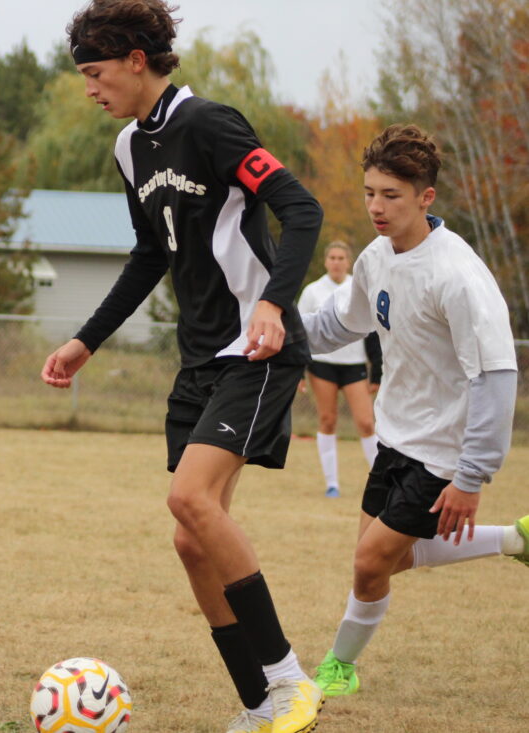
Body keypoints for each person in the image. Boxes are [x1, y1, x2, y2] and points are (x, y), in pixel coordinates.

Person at [41, 3, 325, 731]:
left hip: (256, 350)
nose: (89, 90)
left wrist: (274, 303)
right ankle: (261, 706)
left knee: (189, 501)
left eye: (96, 73)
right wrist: (85, 340)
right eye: (83, 76)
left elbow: (302, 207)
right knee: (189, 533)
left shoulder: (211, 123)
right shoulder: (130, 149)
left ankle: (292, 682)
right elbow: (148, 257)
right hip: (199, 360)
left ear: (138, 59)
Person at [302, 124, 529, 700]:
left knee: (368, 563)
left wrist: (470, 476)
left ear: (426, 198)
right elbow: (337, 324)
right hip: (395, 439)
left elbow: (497, 378)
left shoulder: (457, 276)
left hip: (443, 453)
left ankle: (338, 666)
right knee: (388, 562)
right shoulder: (377, 258)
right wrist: (277, 338)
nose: (376, 207)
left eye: (391, 195)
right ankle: (515, 541)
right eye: (370, 192)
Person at [296, 242, 380, 497]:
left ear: (349, 261)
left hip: (354, 366)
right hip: (322, 366)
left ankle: (381, 482)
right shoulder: (312, 291)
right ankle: (332, 484)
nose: (336, 262)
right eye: (331, 257)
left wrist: (377, 370)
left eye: (341, 257)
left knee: (366, 423)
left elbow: (373, 330)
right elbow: (298, 331)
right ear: (325, 261)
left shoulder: (358, 287)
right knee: (327, 420)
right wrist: (298, 371)